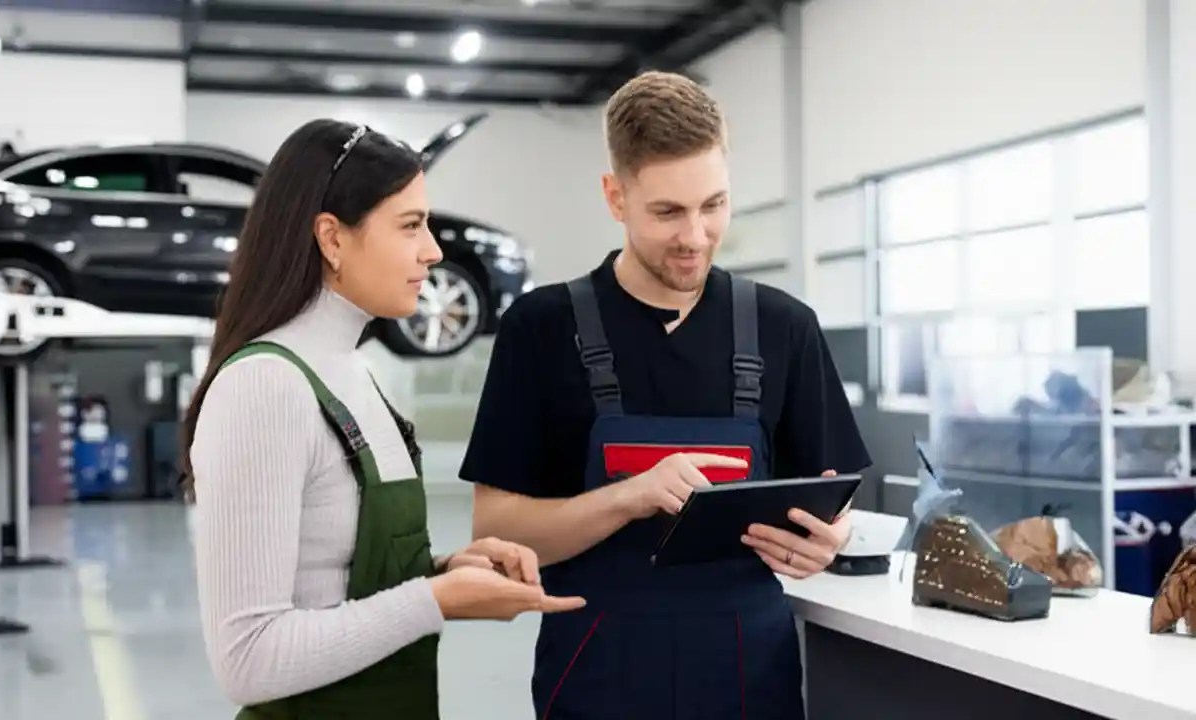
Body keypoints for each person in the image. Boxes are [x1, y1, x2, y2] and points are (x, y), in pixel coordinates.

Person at [458, 71, 872, 719]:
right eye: (668, 212)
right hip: (596, 669)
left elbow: (834, 496)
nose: (696, 236)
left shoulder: (784, 327)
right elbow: (499, 529)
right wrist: (628, 495)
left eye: (714, 205)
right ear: (615, 196)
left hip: (747, 670)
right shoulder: (540, 329)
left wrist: (831, 540)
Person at [180, 119, 584, 720]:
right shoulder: (264, 386)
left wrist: (447, 569)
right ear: (332, 238)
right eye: (411, 225)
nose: (435, 251)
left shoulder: (351, 372)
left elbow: (331, 579)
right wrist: (435, 599)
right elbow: (248, 660)